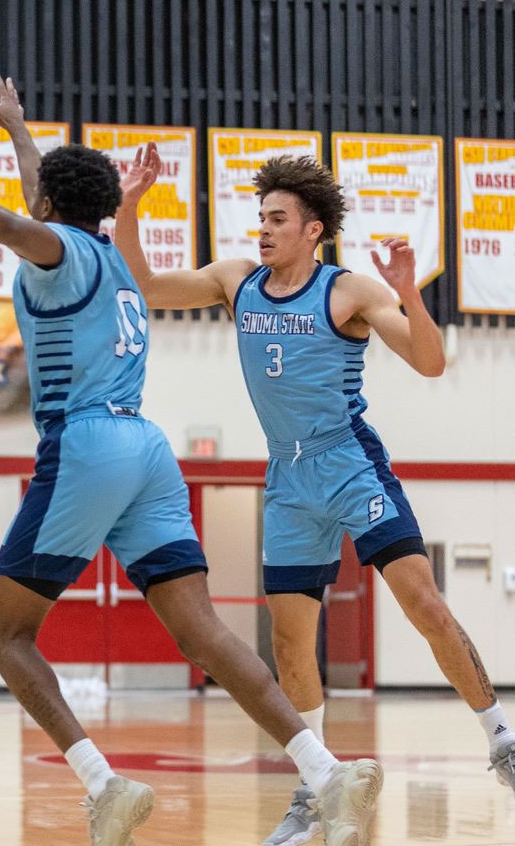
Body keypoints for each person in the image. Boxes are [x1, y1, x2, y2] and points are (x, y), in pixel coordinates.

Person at [0, 77, 383, 846]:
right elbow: (38, 195)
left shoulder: (55, 249)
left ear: (50, 212)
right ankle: (325, 769)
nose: (32, 208)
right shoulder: (110, 257)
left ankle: (104, 781)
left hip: (83, 442)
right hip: (146, 449)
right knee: (205, 633)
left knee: (5, 635)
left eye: (38, 202)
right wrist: (21, 133)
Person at [113, 145, 515, 844]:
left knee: (424, 602)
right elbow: (145, 285)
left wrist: (409, 290)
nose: (261, 229)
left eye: (277, 218)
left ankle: (502, 739)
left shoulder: (349, 290)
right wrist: (131, 204)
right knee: (292, 643)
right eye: (259, 216)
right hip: (288, 480)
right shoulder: (235, 279)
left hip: (349, 464)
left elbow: (430, 360)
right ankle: (317, 786)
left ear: (312, 230)